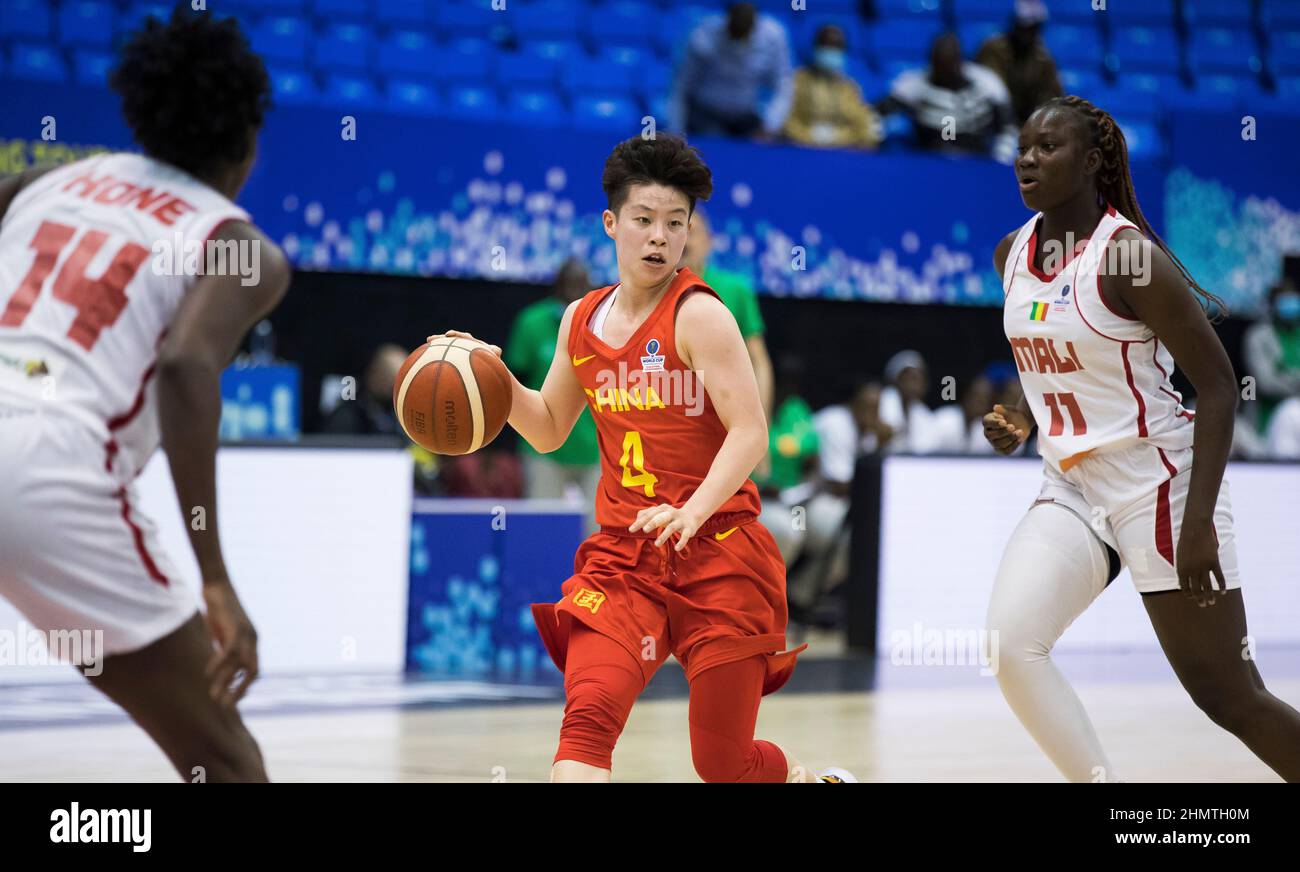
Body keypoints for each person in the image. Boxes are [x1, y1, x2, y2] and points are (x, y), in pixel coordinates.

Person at [430, 135, 850, 783]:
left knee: (723, 764)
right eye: (644, 220)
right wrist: (486, 373)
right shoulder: (580, 321)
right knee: (586, 725)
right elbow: (545, 427)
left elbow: (750, 433)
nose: (659, 237)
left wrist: (692, 510)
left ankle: (797, 779)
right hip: (626, 560)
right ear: (612, 224)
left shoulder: (701, 315)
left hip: (720, 554)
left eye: (675, 224)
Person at [0, 8, 288, 781]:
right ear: (248, 141)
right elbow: (186, 366)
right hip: (51, 472)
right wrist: (216, 579)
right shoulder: (238, 244)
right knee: (223, 761)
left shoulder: (42, 182)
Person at [984, 95, 1300, 782]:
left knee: (1230, 698)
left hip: (1160, 485)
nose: (1028, 159)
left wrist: (1198, 526)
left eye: (1048, 147)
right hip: (1070, 485)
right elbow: (1047, 357)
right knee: (1010, 646)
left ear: (1093, 162)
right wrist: (1020, 413)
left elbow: (1217, 387)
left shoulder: (1129, 259)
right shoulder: (1011, 252)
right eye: (1023, 147)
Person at [505, 257, 600, 519]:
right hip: (543, 449)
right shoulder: (531, 322)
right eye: (569, 284)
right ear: (556, 286)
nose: (573, 291)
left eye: (581, 285)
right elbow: (515, 380)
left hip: (596, 447)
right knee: (541, 526)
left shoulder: (606, 321)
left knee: (601, 529)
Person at [678, 209, 773, 418]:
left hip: (725, 416)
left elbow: (758, 361)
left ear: (709, 242)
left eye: (691, 232)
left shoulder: (735, 290)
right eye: (676, 229)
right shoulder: (651, 291)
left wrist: (761, 421)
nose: (684, 241)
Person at [879, 32, 1017, 161]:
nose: (945, 72)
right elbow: (878, 112)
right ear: (932, 61)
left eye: (949, 64)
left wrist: (999, 161)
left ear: (959, 61)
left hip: (978, 158)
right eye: (940, 64)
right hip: (929, 159)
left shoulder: (988, 83)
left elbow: (1007, 127)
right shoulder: (914, 84)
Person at [670, 2, 794, 140]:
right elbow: (681, 86)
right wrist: (676, 131)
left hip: (745, 117)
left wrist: (770, 126)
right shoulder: (703, 35)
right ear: (727, 18)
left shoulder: (773, 37)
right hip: (706, 115)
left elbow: (782, 85)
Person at [782, 24, 882, 150]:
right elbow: (785, 120)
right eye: (827, 46)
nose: (832, 51)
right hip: (800, 149)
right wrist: (809, 138)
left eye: (837, 47)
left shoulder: (849, 87)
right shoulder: (797, 80)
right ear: (816, 48)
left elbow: (862, 125)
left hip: (840, 151)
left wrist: (837, 139)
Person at [975, 0, 1063, 126]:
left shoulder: (1042, 59)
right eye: (1025, 27)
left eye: (1035, 28)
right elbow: (992, 92)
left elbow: (1053, 97)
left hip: (1026, 124)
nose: (1030, 33)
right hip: (991, 122)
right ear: (1015, 24)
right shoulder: (993, 50)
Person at [322, 342, 406, 436]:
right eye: (391, 382)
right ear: (374, 374)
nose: (397, 392)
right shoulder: (347, 418)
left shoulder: (400, 417)